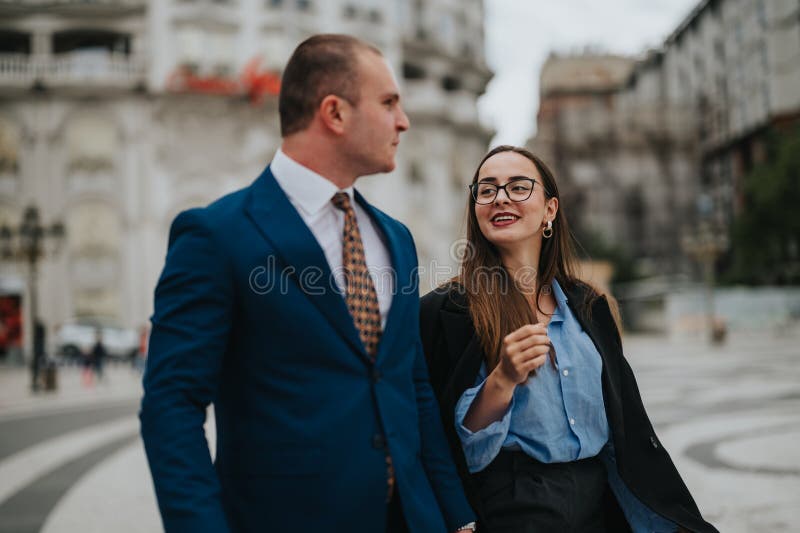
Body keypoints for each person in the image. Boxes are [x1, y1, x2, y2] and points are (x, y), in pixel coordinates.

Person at [140, 34, 476, 533]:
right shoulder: (217, 236)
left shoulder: (397, 241)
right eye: (388, 103)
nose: (403, 121)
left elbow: (413, 387)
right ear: (334, 113)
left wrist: (457, 515)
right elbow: (172, 404)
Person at [420, 145, 718, 533]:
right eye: (487, 189)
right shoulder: (446, 312)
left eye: (518, 186)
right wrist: (503, 379)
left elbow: (623, 424)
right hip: (515, 508)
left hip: (601, 501)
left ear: (550, 210)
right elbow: (448, 442)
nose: (501, 197)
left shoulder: (589, 305)